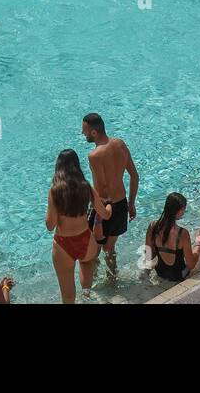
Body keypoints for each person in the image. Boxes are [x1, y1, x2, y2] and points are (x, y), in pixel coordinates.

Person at [45, 148, 112, 304]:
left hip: (63, 244)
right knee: (87, 262)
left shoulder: (55, 191)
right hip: (85, 240)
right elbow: (105, 214)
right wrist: (109, 207)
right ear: (77, 166)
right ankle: (86, 295)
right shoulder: (85, 187)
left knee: (68, 297)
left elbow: (50, 225)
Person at [82, 112, 138, 276]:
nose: (82, 133)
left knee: (92, 251)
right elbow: (134, 176)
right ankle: (113, 279)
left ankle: (89, 287)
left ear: (94, 132)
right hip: (121, 205)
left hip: (103, 208)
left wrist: (95, 216)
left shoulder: (94, 156)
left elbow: (101, 190)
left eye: (84, 130)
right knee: (110, 248)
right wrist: (131, 204)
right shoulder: (120, 144)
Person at [145, 192, 200, 283]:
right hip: (178, 276)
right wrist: (198, 244)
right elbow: (191, 265)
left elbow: (149, 255)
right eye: (184, 209)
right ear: (180, 210)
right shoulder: (182, 233)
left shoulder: (153, 226)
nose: (184, 212)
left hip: (160, 272)